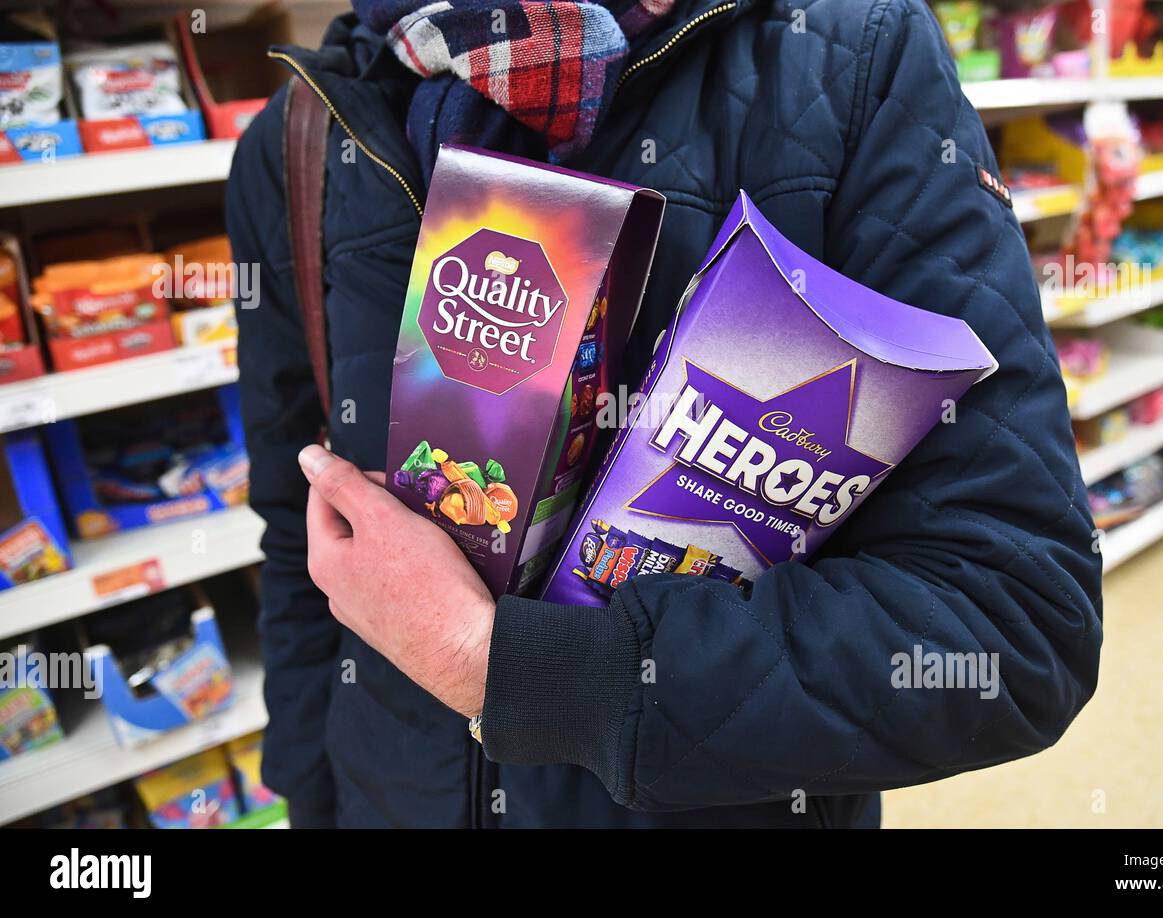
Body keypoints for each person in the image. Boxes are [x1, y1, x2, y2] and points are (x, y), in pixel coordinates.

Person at [229, 0, 1103, 829]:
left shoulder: (848, 54)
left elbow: (1015, 627)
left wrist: (509, 669)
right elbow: (296, 538)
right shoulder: (306, 133)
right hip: (391, 791)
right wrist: (312, 795)